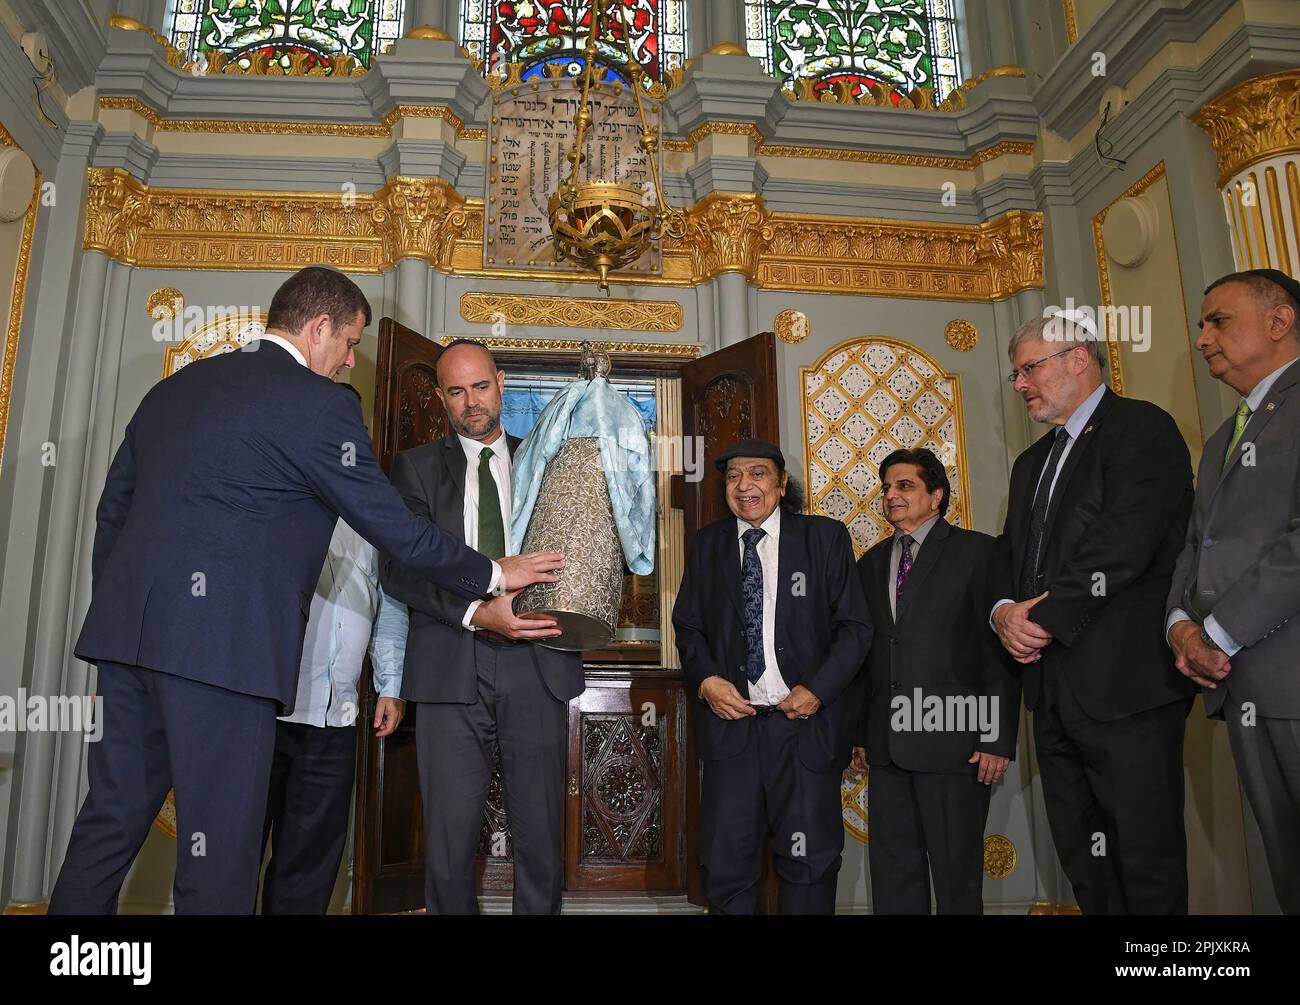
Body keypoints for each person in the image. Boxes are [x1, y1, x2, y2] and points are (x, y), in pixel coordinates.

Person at [50, 267, 562, 915]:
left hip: (128, 647)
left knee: (106, 826)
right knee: (219, 855)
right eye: (348, 342)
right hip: (227, 657)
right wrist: (493, 573)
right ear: (318, 327)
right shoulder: (322, 405)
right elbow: (394, 527)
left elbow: (112, 514)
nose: (351, 360)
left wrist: (122, 627)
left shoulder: (175, 389)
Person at [989, 311, 1196, 914]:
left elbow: (1124, 544)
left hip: (1126, 687)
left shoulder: (1141, 429)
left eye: (1030, 368)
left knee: (1145, 856)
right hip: (1051, 692)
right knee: (1084, 856)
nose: (1021, 384)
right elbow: (1010, 558)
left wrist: (1041, 622)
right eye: (1017, 374)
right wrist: (1005, 613)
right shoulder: (1031, 463)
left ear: (1078, 358)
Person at [381, 339, 584, 915]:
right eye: (455, 391)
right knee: (447, 837)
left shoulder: (551, 464)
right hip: (449, 662)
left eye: (480, 386)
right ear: (441, 397)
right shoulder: (416, 468)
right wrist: (476, 610)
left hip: (537, 663)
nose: (471, 402)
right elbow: (398, 570)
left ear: (500, 382)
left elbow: (583, 555)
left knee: (541, 833)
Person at [672, 438, 872, 914]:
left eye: (758, 474)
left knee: (810, 864)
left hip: (803, 731)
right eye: (735, 476)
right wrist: (705, 681)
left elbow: (856, 628)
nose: (745, 486)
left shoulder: (824, 538)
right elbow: (689, 627)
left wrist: (817, 691)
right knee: (727, 865)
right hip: (732, 730)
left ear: (781, 484)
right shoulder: (708, 545)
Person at [1167, 268, 1300, 913]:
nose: (1201, 339)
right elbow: (1197, 546)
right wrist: (1181, 627)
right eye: (1201, 324)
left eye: (1218, 320)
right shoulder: (1223, 436)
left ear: (1280, 322)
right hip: (1239, 685)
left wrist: (1217, 632)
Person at [259, 388, 411, 915]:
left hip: (335, 718)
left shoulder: (371, 513)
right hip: (261, 710)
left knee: (310, 863)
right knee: (233, 852)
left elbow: (389, 602)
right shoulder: (267, 500)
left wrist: (389, 685)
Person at [851, 448, 1019, 914]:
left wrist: (997, 738)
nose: (891, 496)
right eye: (887, 487)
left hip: (956, 744)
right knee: (893, 877)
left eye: (904, 486)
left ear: (937, 496)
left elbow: (998, 651)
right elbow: (870, 656)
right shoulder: (871, 563)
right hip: (887, 749)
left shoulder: (979, 552)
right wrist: (862, 734)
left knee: (956, 877)